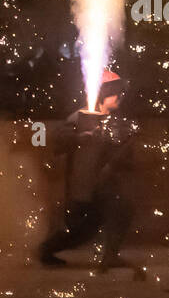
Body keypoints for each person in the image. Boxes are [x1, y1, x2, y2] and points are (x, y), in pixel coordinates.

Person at [37, 70, 141, 274]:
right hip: (84, 186)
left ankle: (109, 255)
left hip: (104, 186)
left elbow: (123, 154)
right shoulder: (79, 117)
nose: (120, 97)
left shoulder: (116, 121)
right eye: (115, 93)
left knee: (117, 211)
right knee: (81, 230)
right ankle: (45, 250)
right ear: (102, 94)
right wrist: (79, 138)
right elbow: (57, 142)